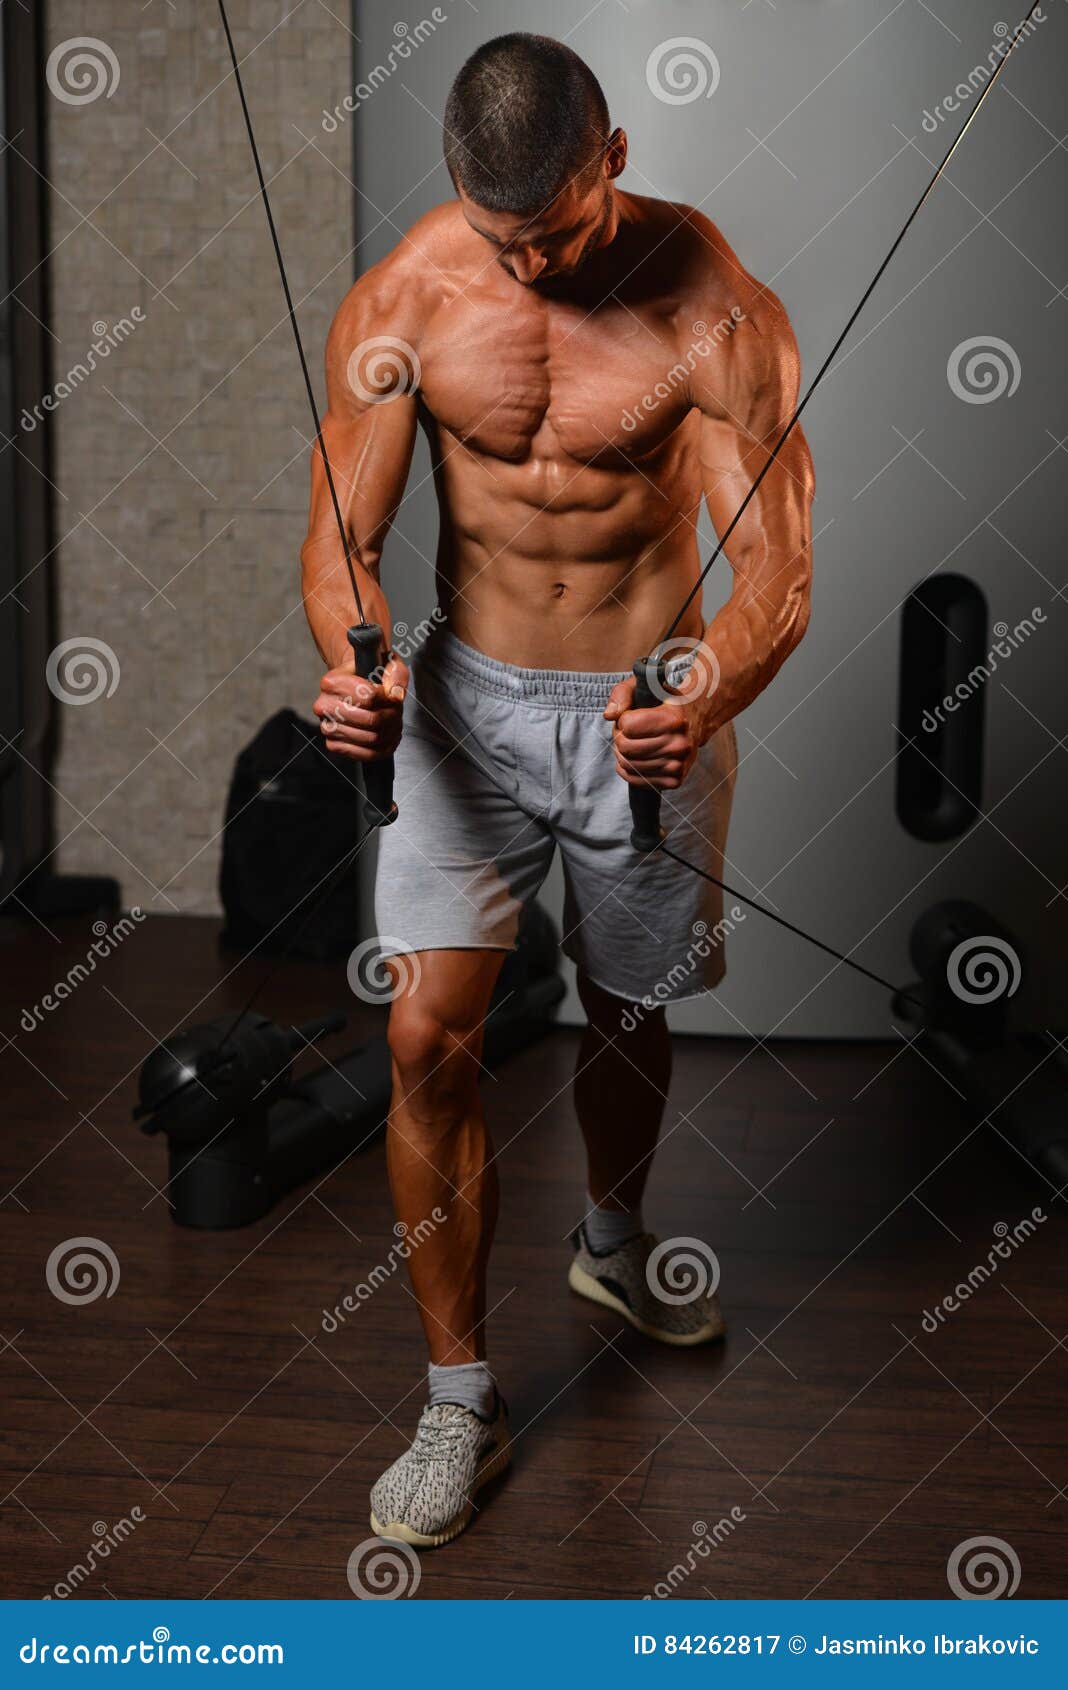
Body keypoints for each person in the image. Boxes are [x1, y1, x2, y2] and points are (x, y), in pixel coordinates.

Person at [301, 32, 813, 1548]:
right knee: (420, 1032)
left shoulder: (712, 312)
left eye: (563, 233)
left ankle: (613, 1234)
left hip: (641, 707)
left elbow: (776, 569)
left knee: (629, 1004)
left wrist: (704, 681)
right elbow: (340, 531)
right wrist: (359, 658)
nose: (528, 271)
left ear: (617, 161)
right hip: (465, 708)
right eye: (502, 236)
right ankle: (460, 1393)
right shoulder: (408, 301)